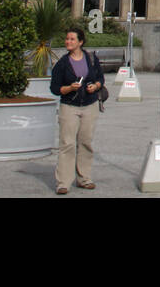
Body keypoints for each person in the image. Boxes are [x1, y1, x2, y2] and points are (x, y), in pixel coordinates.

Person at [49, 26, 106, 194]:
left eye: (72, 39)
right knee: (67, 144)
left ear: (80, 42)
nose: (68, 42)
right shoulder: (62, 64)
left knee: (86, 142)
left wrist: (95, 86)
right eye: (67, 39)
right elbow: (54, 88)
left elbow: (101, 79)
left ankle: (84, 178)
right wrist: (69, 88)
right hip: (69, 106)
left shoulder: (91, 59)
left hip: (90, 104)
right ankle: (63, 182)